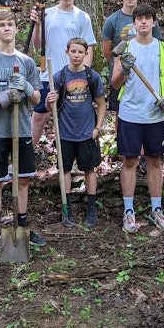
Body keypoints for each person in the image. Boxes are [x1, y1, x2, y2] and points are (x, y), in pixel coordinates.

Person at [0, 10, 46, 259]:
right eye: (1, 25)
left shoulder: (26, 62)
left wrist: (25, 88)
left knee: (23, 180)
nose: (6, 28)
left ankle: (22, 227)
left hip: (22, 129)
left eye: (10, 24)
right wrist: (3, 97)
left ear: (16, 28)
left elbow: (37, 99)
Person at [111, 4, 164, 233]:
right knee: (129, 161)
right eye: (139, 18)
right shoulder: (125, 49)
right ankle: (129, 211)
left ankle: (156, 209)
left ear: (154, 22)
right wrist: (125, 69)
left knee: (155, 161)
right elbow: (115, 83)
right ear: (134, 22)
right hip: (130, 113)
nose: (144, 22)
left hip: (155, 115)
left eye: (148, 18)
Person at [28, 0, 97, 147]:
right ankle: (25, 162)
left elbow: (88, 47)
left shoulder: (82, 17)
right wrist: (36, 25)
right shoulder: (47, 14)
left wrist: (84, 74)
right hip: (48, 76)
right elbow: (37, 45)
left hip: (73, 77)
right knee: (38, 117)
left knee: (73, 119)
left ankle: (73, 161)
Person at [45, 38, 107, 227]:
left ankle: (91, 209)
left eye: (80, 52)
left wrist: (97, 128)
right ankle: (66, 209)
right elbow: (50, 108)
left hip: (87, 132)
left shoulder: (92, 76)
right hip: (65, 132)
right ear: (67, 52)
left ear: (86, 54)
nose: (77, 55)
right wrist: (50, 100)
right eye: (73, 51)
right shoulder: (59, 77)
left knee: (89, 169)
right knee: (64, 170)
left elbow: (102, 104)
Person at [102, 0, 162, 112]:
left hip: (146, 73)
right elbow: (107, 51)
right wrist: (119, 67)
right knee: (119, 112)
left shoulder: (149, 20)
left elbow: (158, 46)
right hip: (121, 75)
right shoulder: (112, 20)